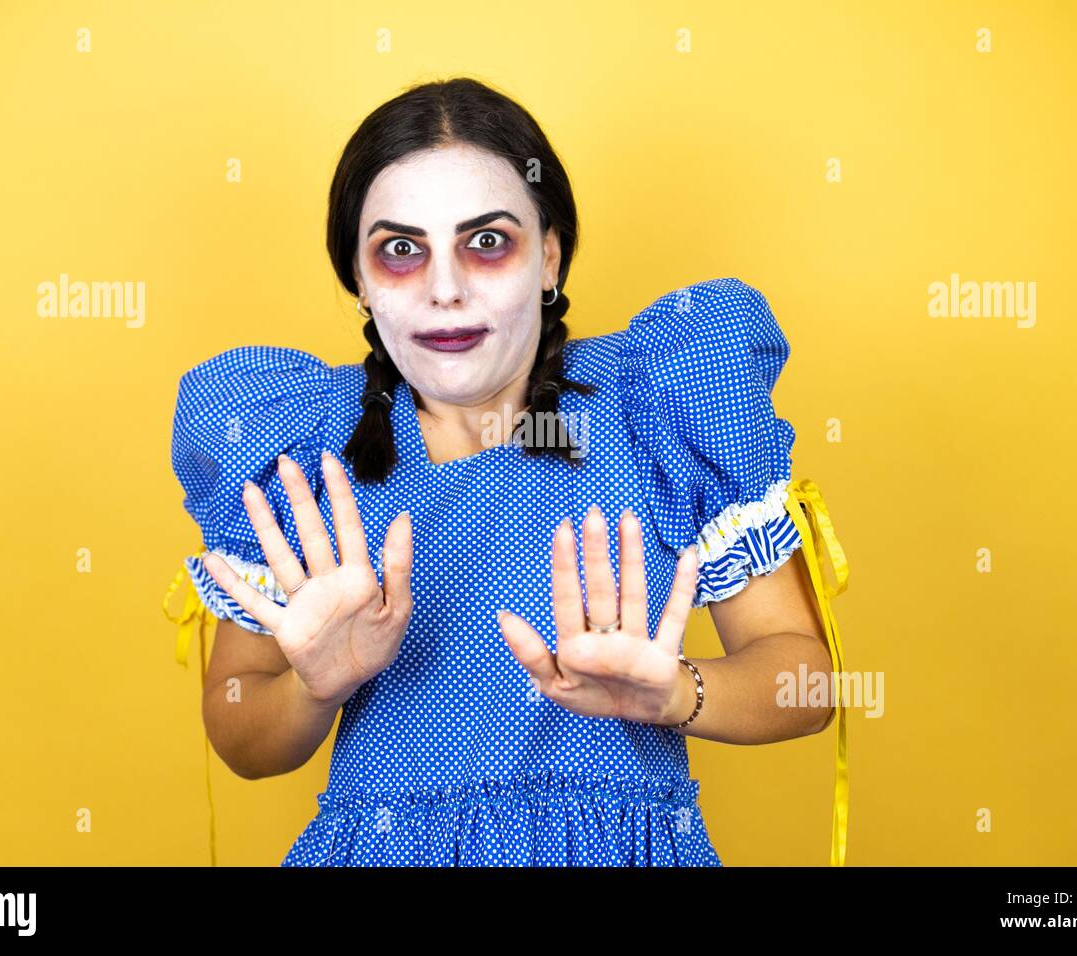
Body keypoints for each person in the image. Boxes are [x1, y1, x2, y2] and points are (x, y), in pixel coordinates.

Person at [167, 76, 837, 866]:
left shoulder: (660, 404)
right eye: (400, 251)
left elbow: (807, 682)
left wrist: (676, 693)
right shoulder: (299, 446)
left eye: (487, 242)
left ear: (549, 257)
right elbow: (242, 734)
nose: (445, 290)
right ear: (358, 279)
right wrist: (318, 685)